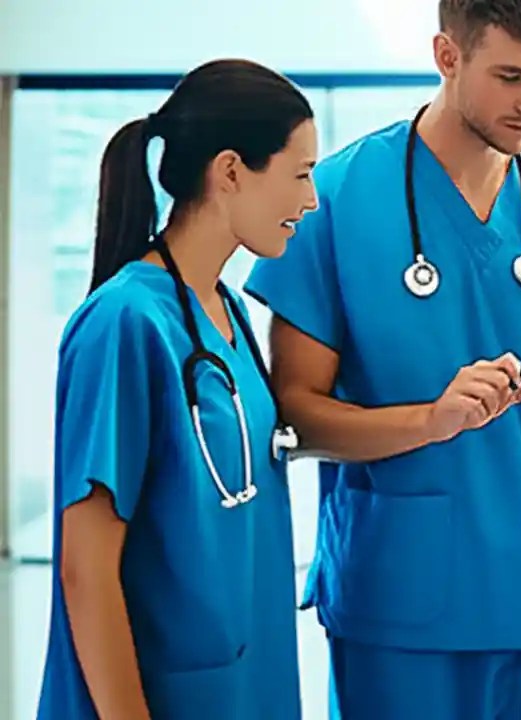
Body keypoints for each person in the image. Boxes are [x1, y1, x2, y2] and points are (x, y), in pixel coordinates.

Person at [242, 0, 521, 717]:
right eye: (511, 76)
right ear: (447, 56)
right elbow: (295, 416)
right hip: (401, 594)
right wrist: (431, 419)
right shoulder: (333, 199)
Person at [35, 59, 319, 720]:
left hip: (245, 683)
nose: (310, 200)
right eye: (300, 174)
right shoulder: (125, 323)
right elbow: (86, 566)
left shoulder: (228, 313)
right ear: (229, 172)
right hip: (164, 695)